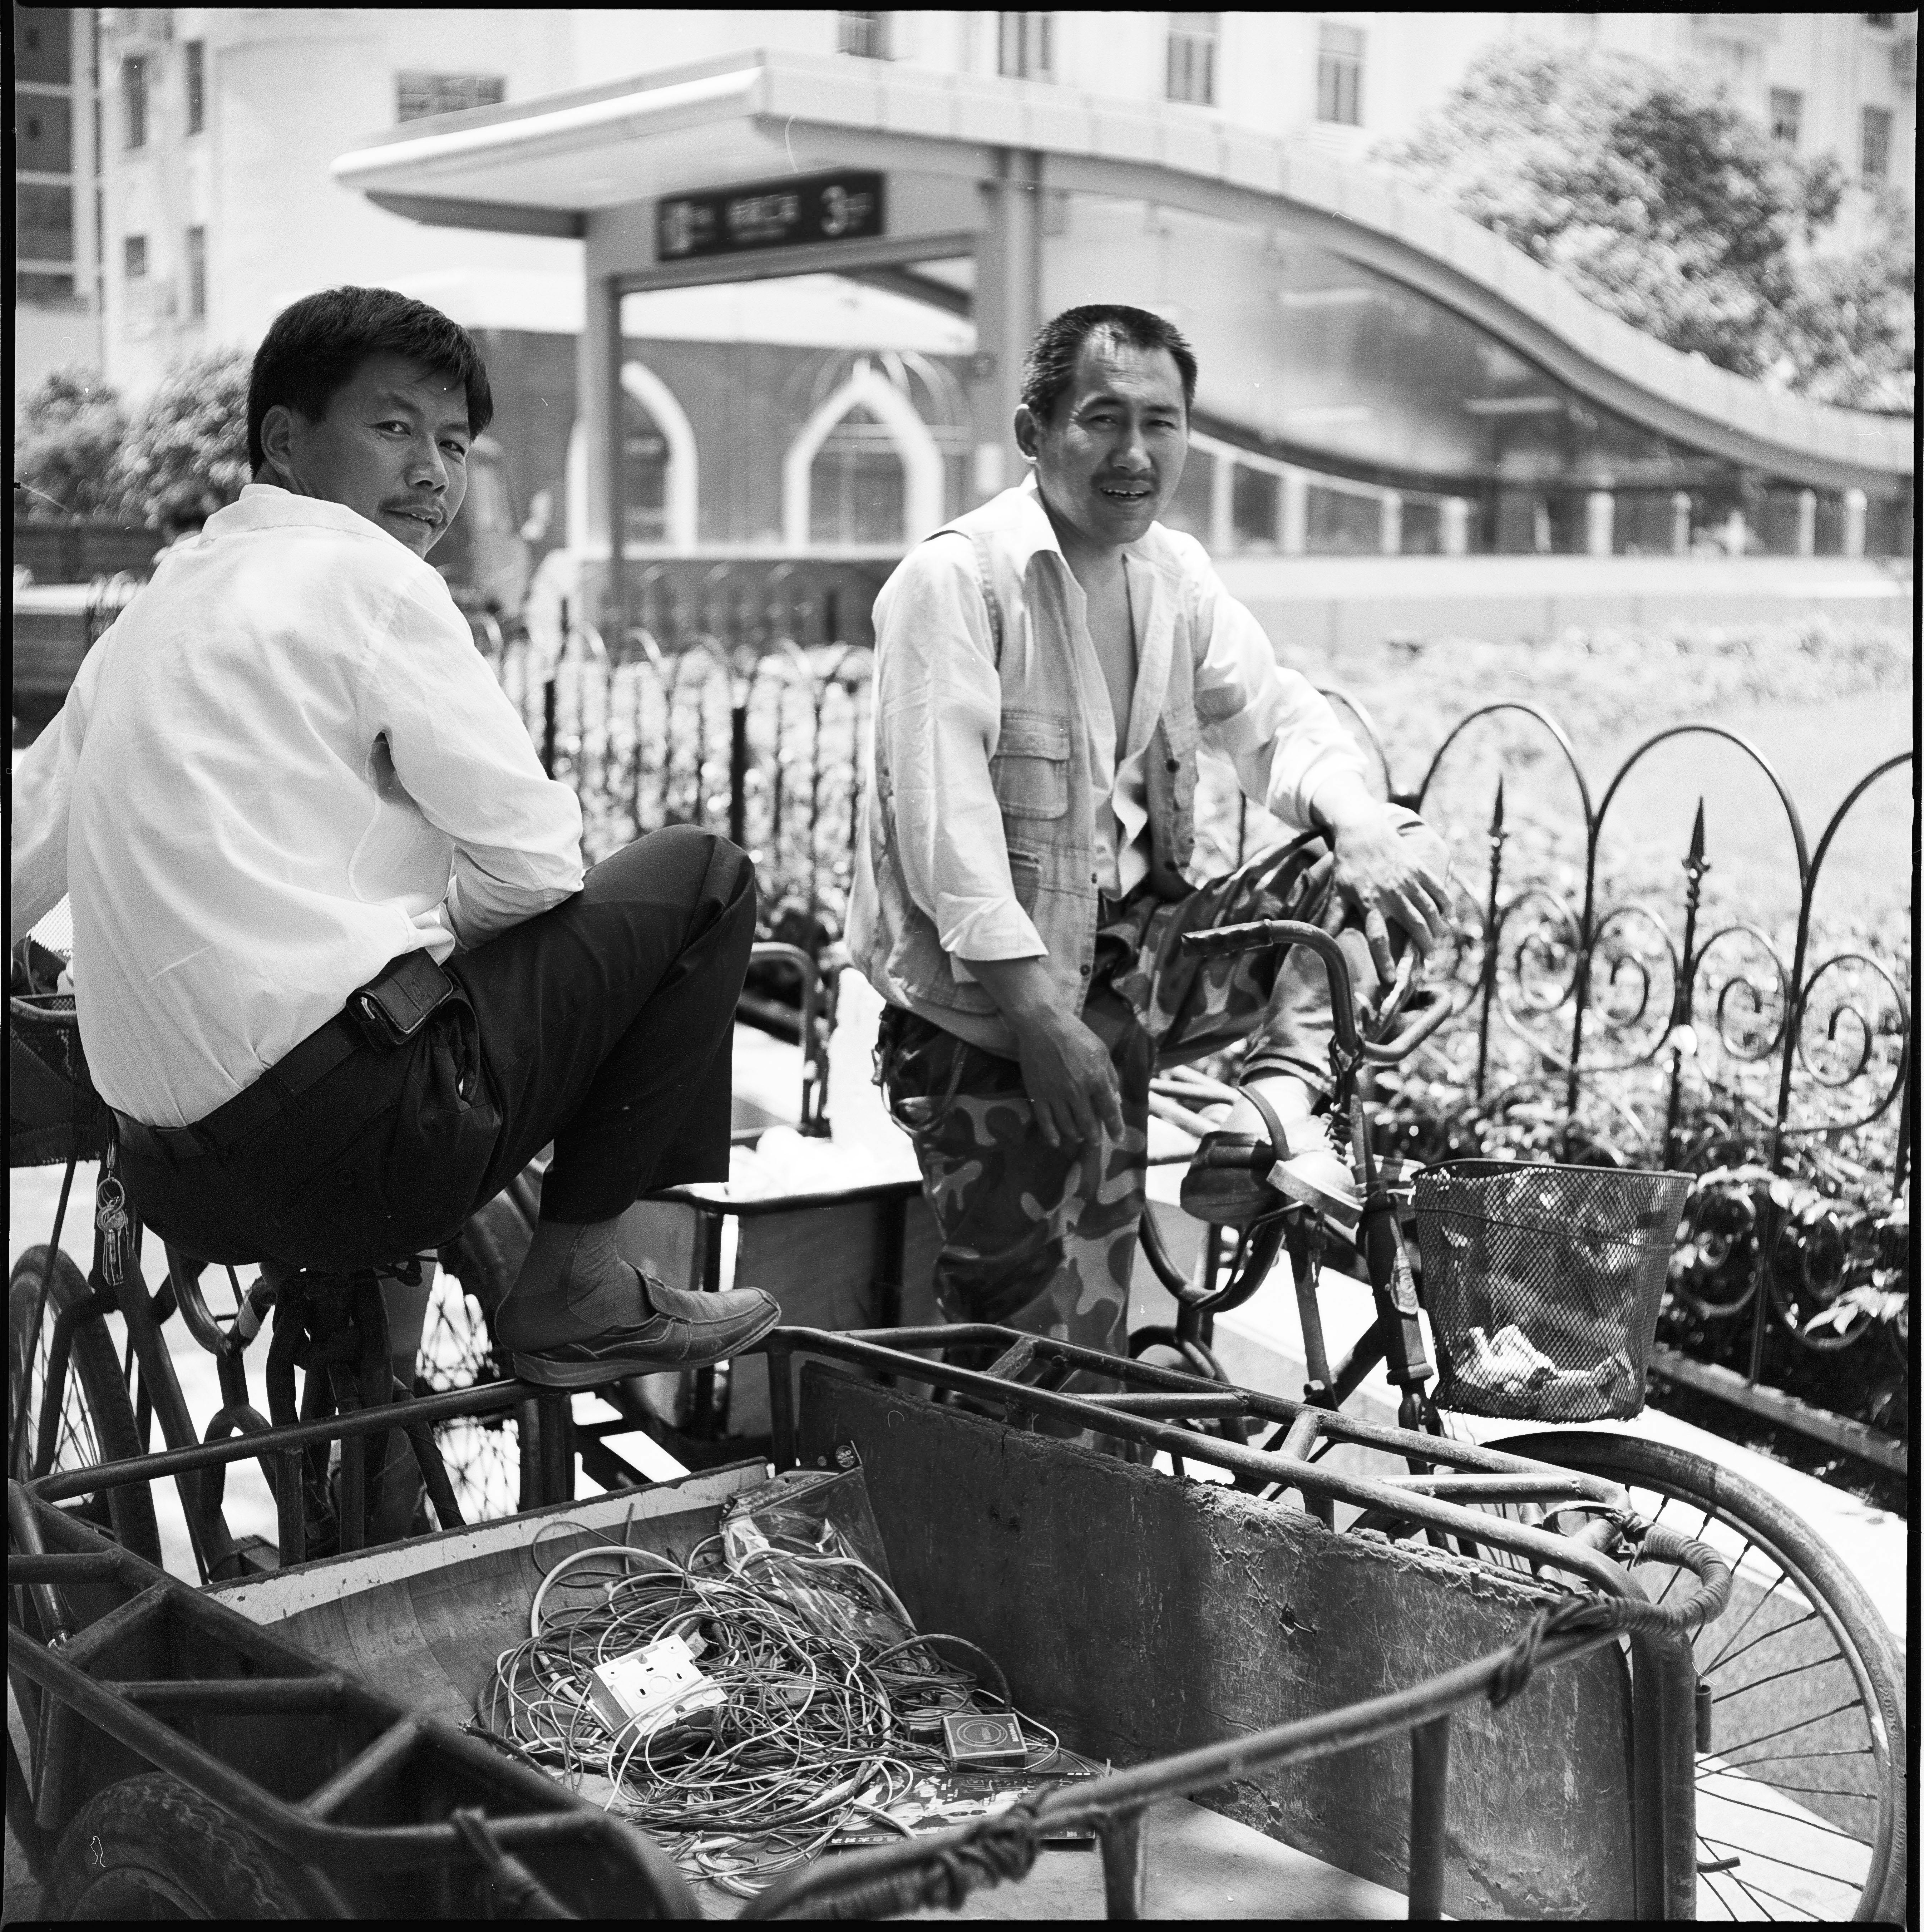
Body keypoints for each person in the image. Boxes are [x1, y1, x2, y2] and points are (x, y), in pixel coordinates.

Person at [10, 286, 779, 1390]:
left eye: (454, 444)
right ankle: (579, 1283)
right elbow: (536, 865)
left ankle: (365, 1425)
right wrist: (436, 945)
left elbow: (22, 858)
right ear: (285, 438)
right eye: (394, 427)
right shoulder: (368, 577)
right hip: (352, 1148)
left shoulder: (154, 612)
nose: (433, 473)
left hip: (169, 1172)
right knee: (704, 876)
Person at [849, 304, 1454, 1366]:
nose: (1135, 454)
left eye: (1160, 423)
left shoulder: (1173, 576)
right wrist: (1040, 1019)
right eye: (1103, 419)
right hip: (989, 1021)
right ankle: (1000, 1457)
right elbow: (945, 837)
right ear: (1034, 431)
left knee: (1381, 856)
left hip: (1137, 973)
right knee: (1042, 1352)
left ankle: (1267, 1117)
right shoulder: (960, 581)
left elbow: (1274, 718)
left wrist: (1361, 818)